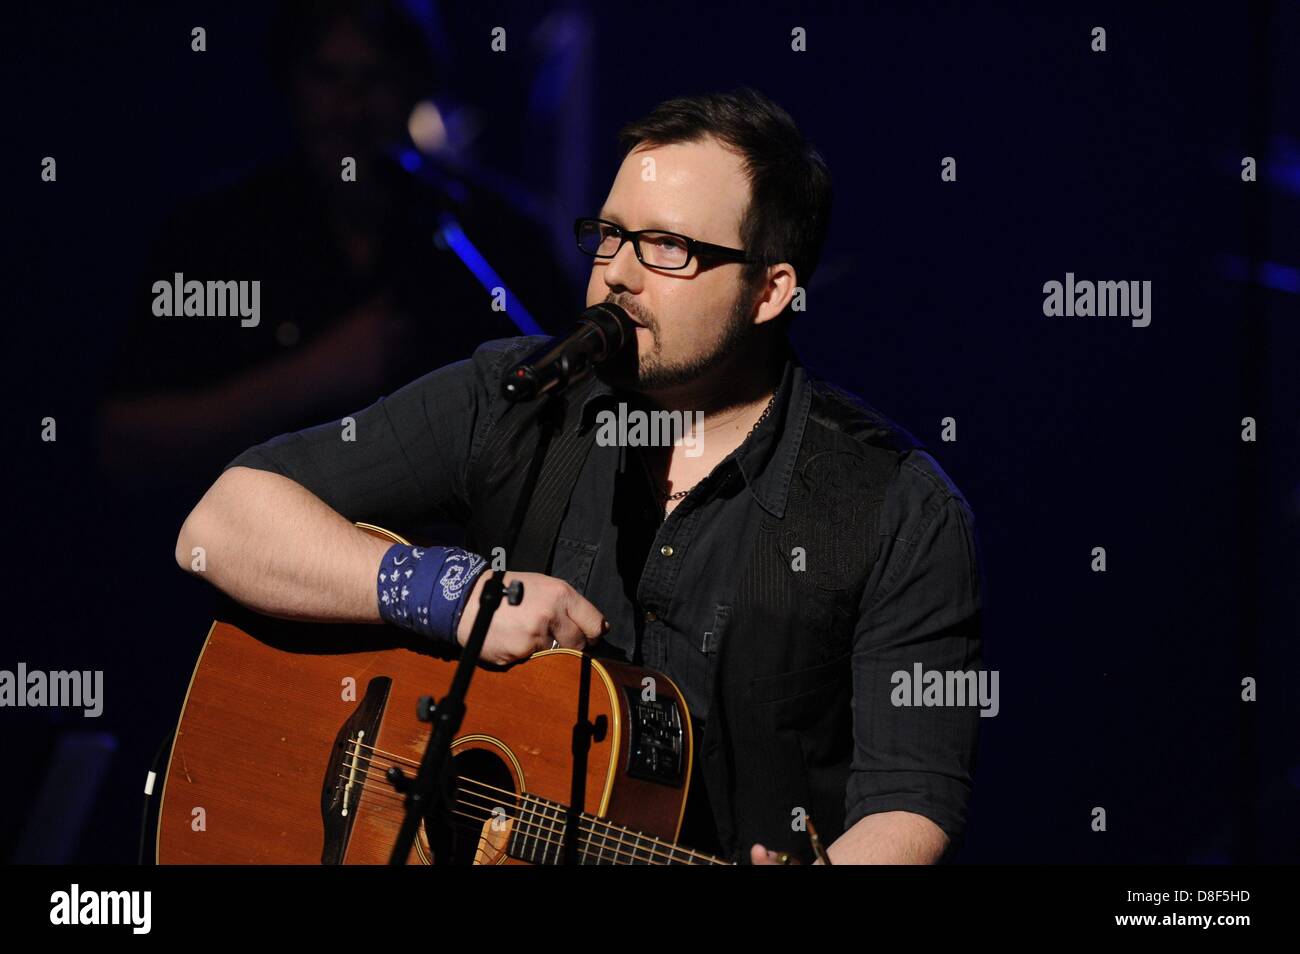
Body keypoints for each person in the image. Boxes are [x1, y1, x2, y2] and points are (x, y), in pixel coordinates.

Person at [176, 87, 983, 865]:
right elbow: (219, 525)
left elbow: (910, 802)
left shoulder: (896, 507)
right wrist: (452, 595)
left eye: (668, 248)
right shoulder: (519, 399)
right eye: (609, 234)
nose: (618, 274)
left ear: (770, 291)